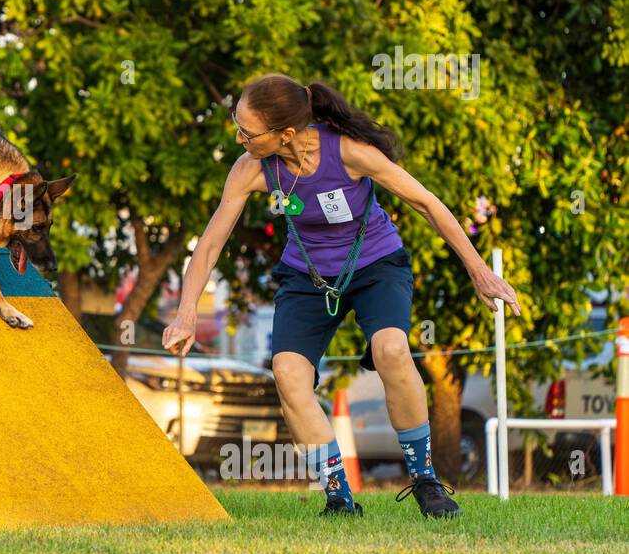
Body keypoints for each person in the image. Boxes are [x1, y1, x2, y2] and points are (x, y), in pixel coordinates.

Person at [162, 75, 521, 518]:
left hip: (375, 266)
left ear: (286, 133)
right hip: (307, 276)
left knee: (391, 348)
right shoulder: (251, 168)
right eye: (238, 126)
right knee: (287, 372)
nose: (238, 138)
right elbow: (211, 243)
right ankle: (339, 496)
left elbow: (427, 202)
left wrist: (479, 271)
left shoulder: (349, 151)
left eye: (247, 131)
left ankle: (426, 480)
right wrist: (185, 315)